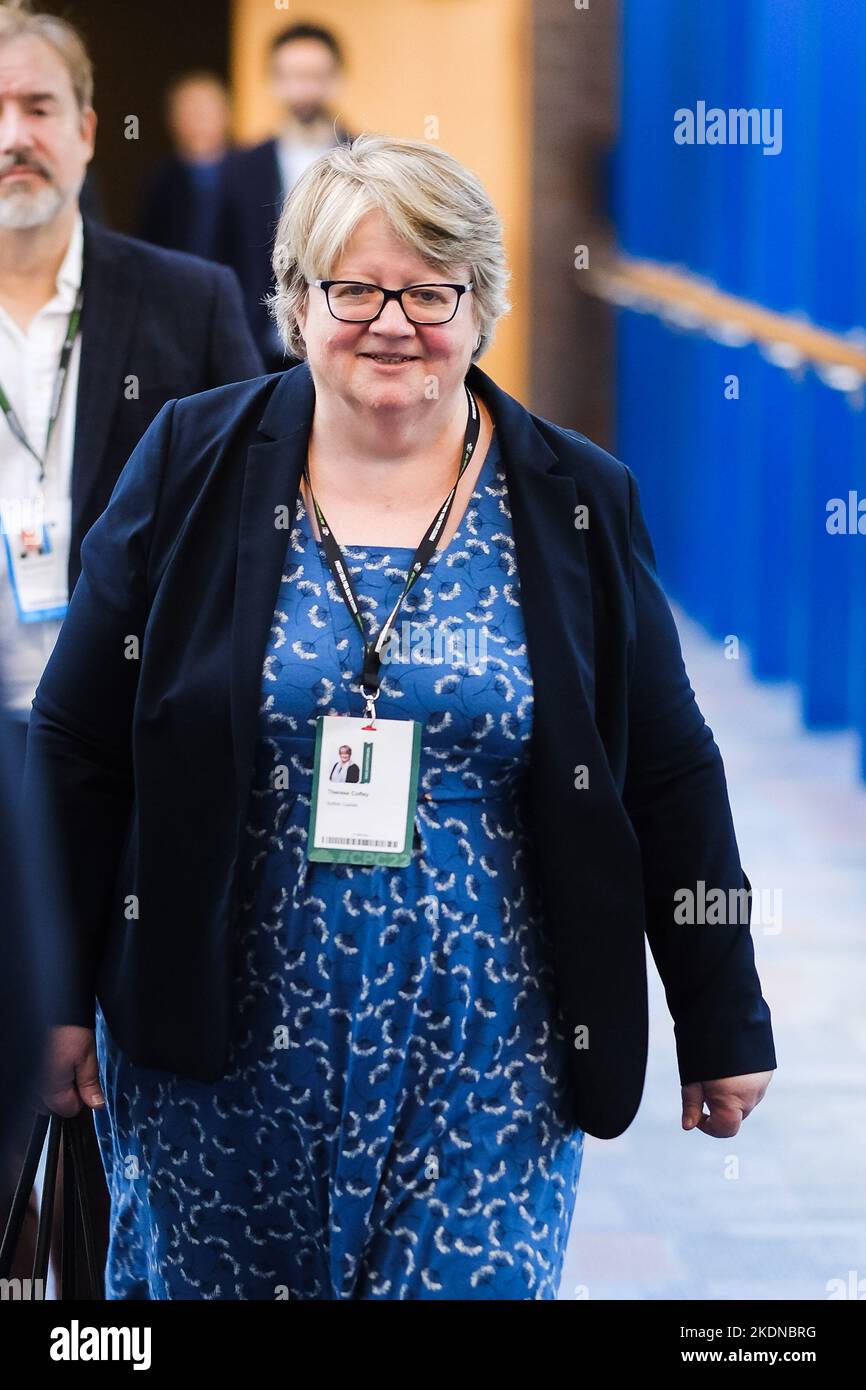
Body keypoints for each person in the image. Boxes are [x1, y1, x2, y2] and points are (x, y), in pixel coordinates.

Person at [25, 134, 776, 1301]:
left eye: (431, 291)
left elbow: (670, 767)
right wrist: (51, 993)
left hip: (488, 1055)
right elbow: (75, 743)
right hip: (216, 1058)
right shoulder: (193, 460)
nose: (392, 321)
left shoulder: (572, 495)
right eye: (356, 288)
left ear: (480, 305)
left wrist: (720, 1011)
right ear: (295, 301)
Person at [0, 4, 263, 746]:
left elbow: (253, 505)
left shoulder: (192, 300)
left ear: (86, 132)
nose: (15, 135)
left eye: (39, 107)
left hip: (132, 737)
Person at [217, 22, 353, 370]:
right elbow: (221, 258)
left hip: (348, 338)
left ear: (336, 78)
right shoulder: (240, 168)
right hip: (262, 350)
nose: (304, 89)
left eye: (315, 75)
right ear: (274, 82)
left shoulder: (370, 160)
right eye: (293, 76)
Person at [137, 72, 232, 260]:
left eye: (205, 112)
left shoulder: (247, 174)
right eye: (189, 112)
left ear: (227, 115)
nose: (198, 122)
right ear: (172, 119)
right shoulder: (160, 181)